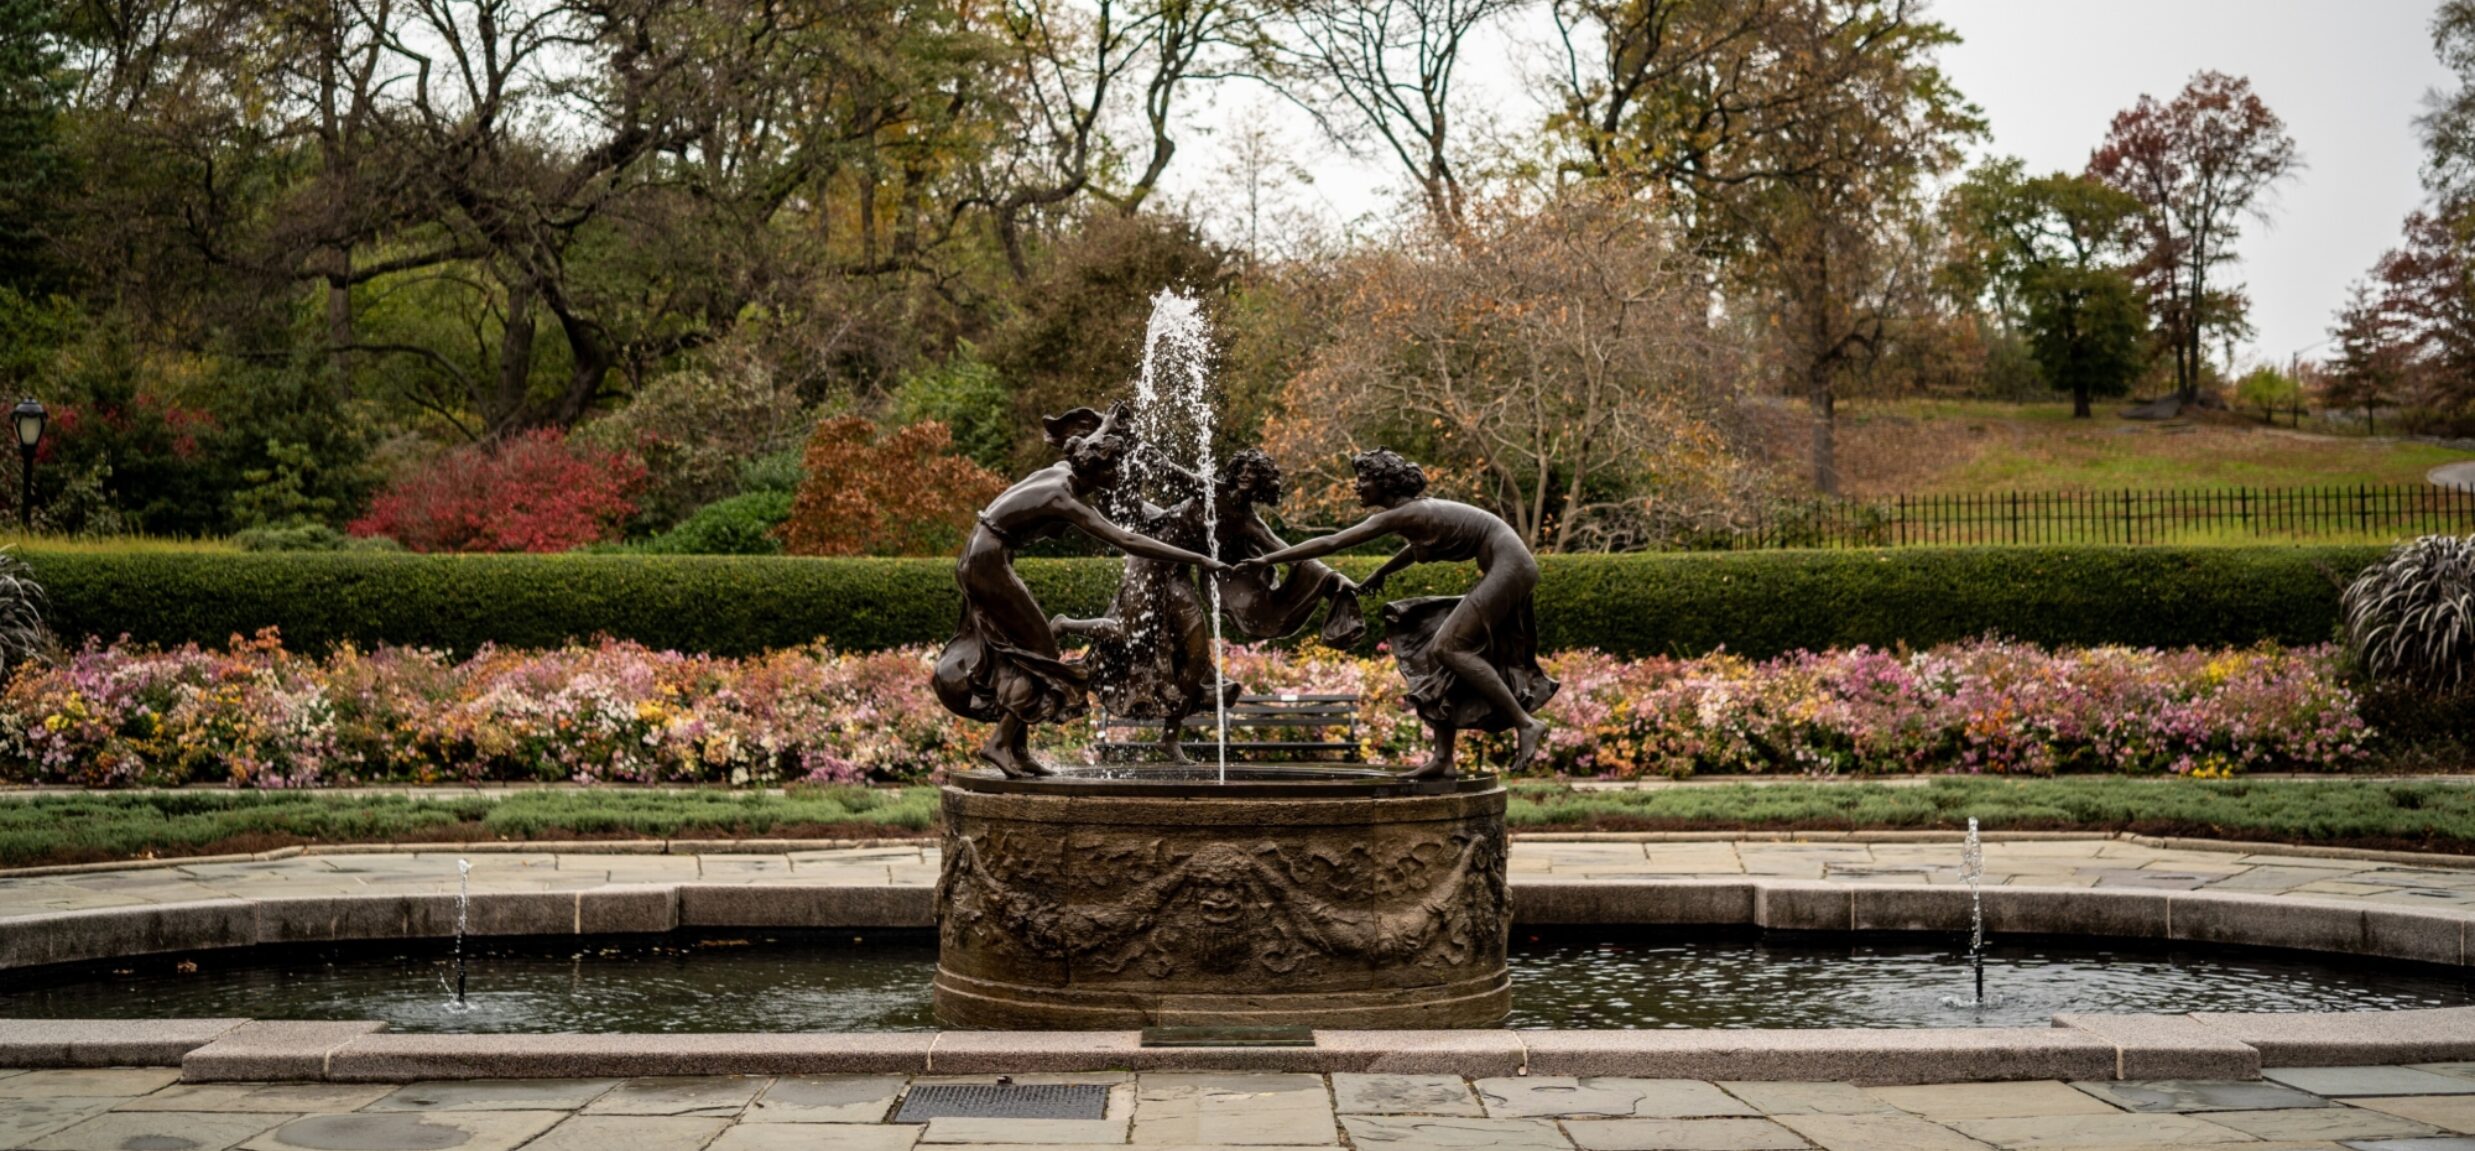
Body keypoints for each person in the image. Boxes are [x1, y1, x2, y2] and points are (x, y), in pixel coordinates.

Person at [931, 403, 1230, 778]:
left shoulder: (1065, 469)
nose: (1119, 476)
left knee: (1034, 651)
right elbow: (1127, 538)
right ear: (1097, 470)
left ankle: (1016, 748)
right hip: (987, 564)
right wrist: (1199, 559)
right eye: (1114, 469)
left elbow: (1087, 446)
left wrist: (1106, 424)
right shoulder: (1064, 499)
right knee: (1043, 654)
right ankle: (999, 744)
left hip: (982, 557)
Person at [1237, 448, 1555, 778]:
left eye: (1364, 479)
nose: (1356, 486)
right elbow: (1416, 548)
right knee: (1438, 656)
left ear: (1385, 483)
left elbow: (1333, 542)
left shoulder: (1404, 514)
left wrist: (1268, 559)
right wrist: (1383, 572)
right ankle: (1443, 760)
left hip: (1510, 567)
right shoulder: (1414, 515)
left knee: (1447, 647)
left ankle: (1526, 722)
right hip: (1507, 566)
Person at [1052, 448, 1363, 762]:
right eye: (1240, 468)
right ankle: (1065, 624)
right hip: (1147, 563)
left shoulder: (1248, 522)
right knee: (1129, 635)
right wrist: (1148, 456)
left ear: (1262, 483)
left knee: (1198, 658)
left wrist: (1335, 580)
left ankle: (1169, 737)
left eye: (1252, 472)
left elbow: (1292, 553)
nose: (1244, 475)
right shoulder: (1211, 489)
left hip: (1177, 574)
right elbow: (1174, 473)